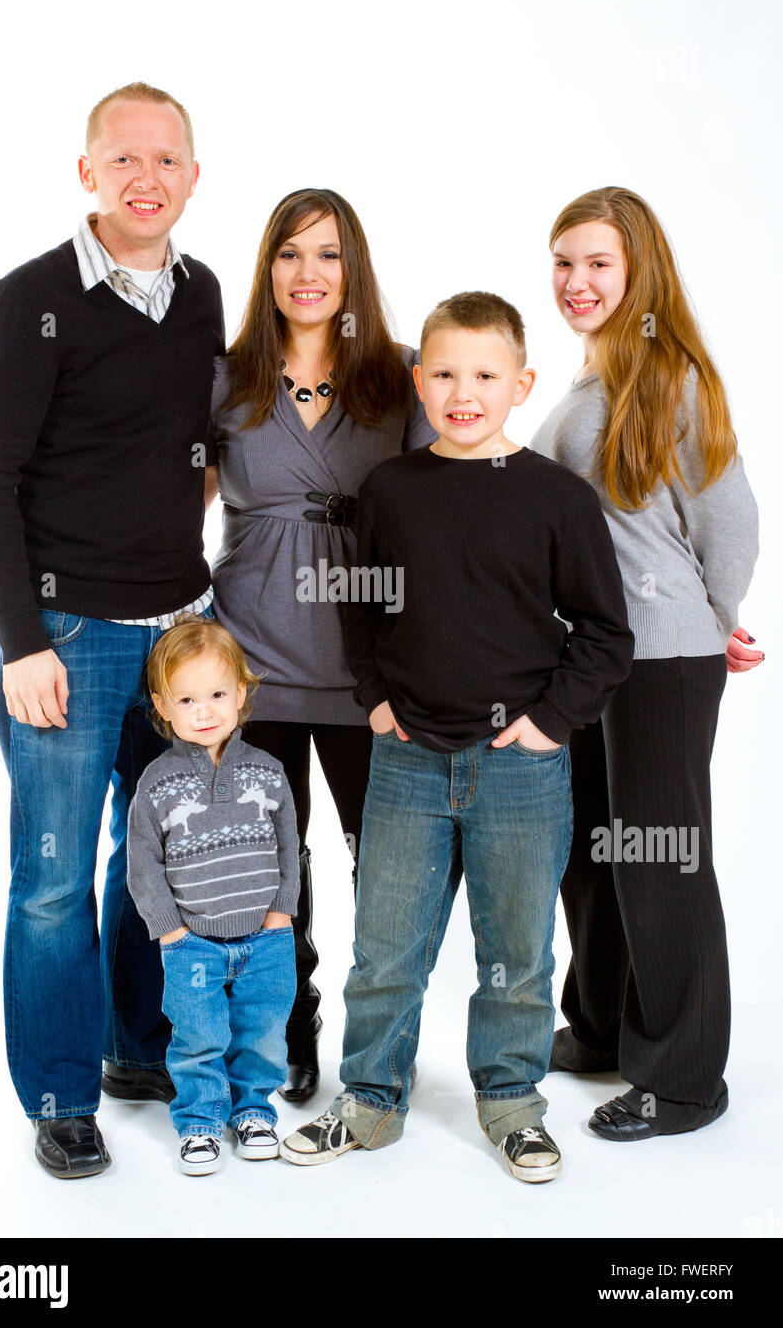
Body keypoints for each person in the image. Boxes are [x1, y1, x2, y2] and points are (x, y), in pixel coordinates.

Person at [279, 291, 634, 1180]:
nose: (463, 392)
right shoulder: (391, 490)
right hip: (406, 761)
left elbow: (604, 632)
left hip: (520, 769)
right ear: (418, 382)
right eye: (443, 373)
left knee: (516, 953)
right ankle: (370, 1098)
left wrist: (551, 723)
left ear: (523, 383)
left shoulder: (556, 497)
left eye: (484, 375)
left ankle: (511, 1100)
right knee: (385, 950)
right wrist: (374, 699)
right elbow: (361, 606)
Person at [0, 82, 224, 1178]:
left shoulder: (201, 295)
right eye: (123, 159)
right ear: (86, 173)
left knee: (158, 857)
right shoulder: (29, 301)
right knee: (53, 881)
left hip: (182, 635)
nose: (145, 179)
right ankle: (62, 1097)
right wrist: (21, 641)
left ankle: (136, 1048)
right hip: (66, 635)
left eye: (166, 160)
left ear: (193, 176)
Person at [532, 186, 760, 1140]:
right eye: (564, 263)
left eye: (598, 264)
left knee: (658, 858)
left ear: (640, 272)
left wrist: (715, 619)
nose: (576, 282)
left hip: (661, 657)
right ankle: (600, 1027)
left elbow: (729, 521)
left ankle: (683, 1080)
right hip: (587, 655)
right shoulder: (590, 382)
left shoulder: (674, 379)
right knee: (592, 852)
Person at [205, 188, 436, 1100]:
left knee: (385, 865)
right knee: (266, 868)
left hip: (365, 666)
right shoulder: (225, 380)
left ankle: (381, 1042)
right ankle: (285, 1032)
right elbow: (167, 507)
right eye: (291, 253)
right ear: (267, 267)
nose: (309, 273)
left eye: (329, 254)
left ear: (354, 271)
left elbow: (445, 516)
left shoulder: (402, 375)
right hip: (249, 659)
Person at [127, 615, 299, 1174]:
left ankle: (254, 1112)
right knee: (198, 1036)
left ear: (242, 693)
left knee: (262, 1033)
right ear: (162, 706)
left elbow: (289, 847)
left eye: (218, 695)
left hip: (266, 939)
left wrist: (281, 914)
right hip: (192, 943)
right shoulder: (157, 783)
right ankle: (200, 1122)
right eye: (187, 699)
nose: (204, 711)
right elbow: (143, 865)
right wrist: (171, 932)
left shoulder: (268, 773)